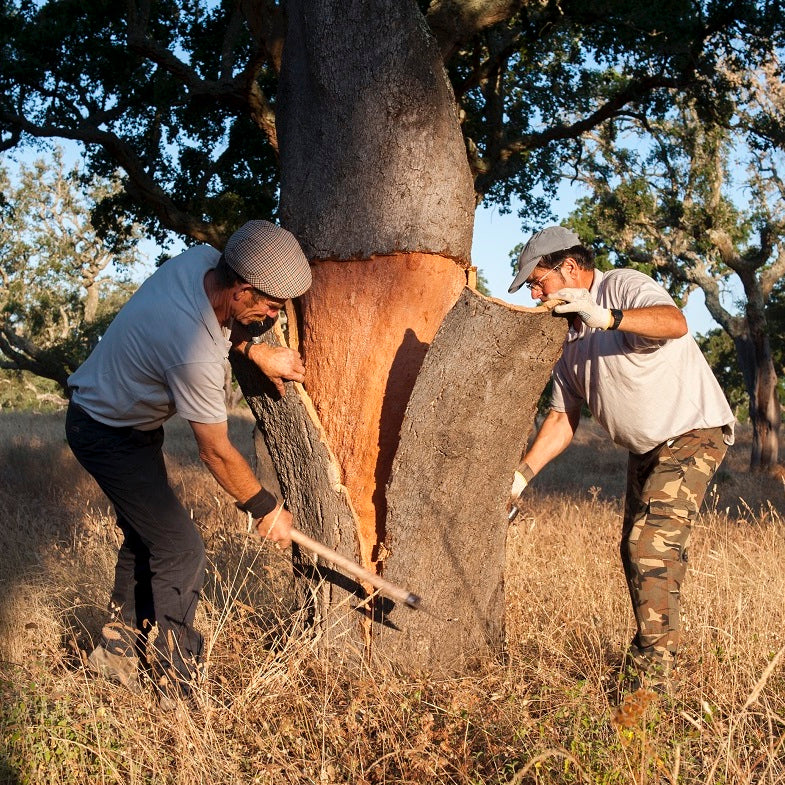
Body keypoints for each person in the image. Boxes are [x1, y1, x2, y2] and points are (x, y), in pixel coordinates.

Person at [65, 220, 311, 704]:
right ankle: (178, 685)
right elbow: (215, 451)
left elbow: (223, 327)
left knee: (148, 536)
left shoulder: (202, 262)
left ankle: (114, 654)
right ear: (242, 290)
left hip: (124, 425)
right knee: (180, 549)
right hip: (104, 432)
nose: (270, 316)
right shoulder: (192, 353)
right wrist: (264, 508)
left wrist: (255, 350)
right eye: (269, 308)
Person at [506, 226, 735, 691]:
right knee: (640, 552)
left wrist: (604, 316)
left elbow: (674, 322)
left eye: (537, 280)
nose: (534, 293)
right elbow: (561, 420)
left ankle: (650, 687)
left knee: (647, 547)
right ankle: (661, 654)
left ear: (569, 268)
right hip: (645, 449)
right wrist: (519, 479)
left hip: (691, 431)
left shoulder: (621, 285)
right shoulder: (566, 340)